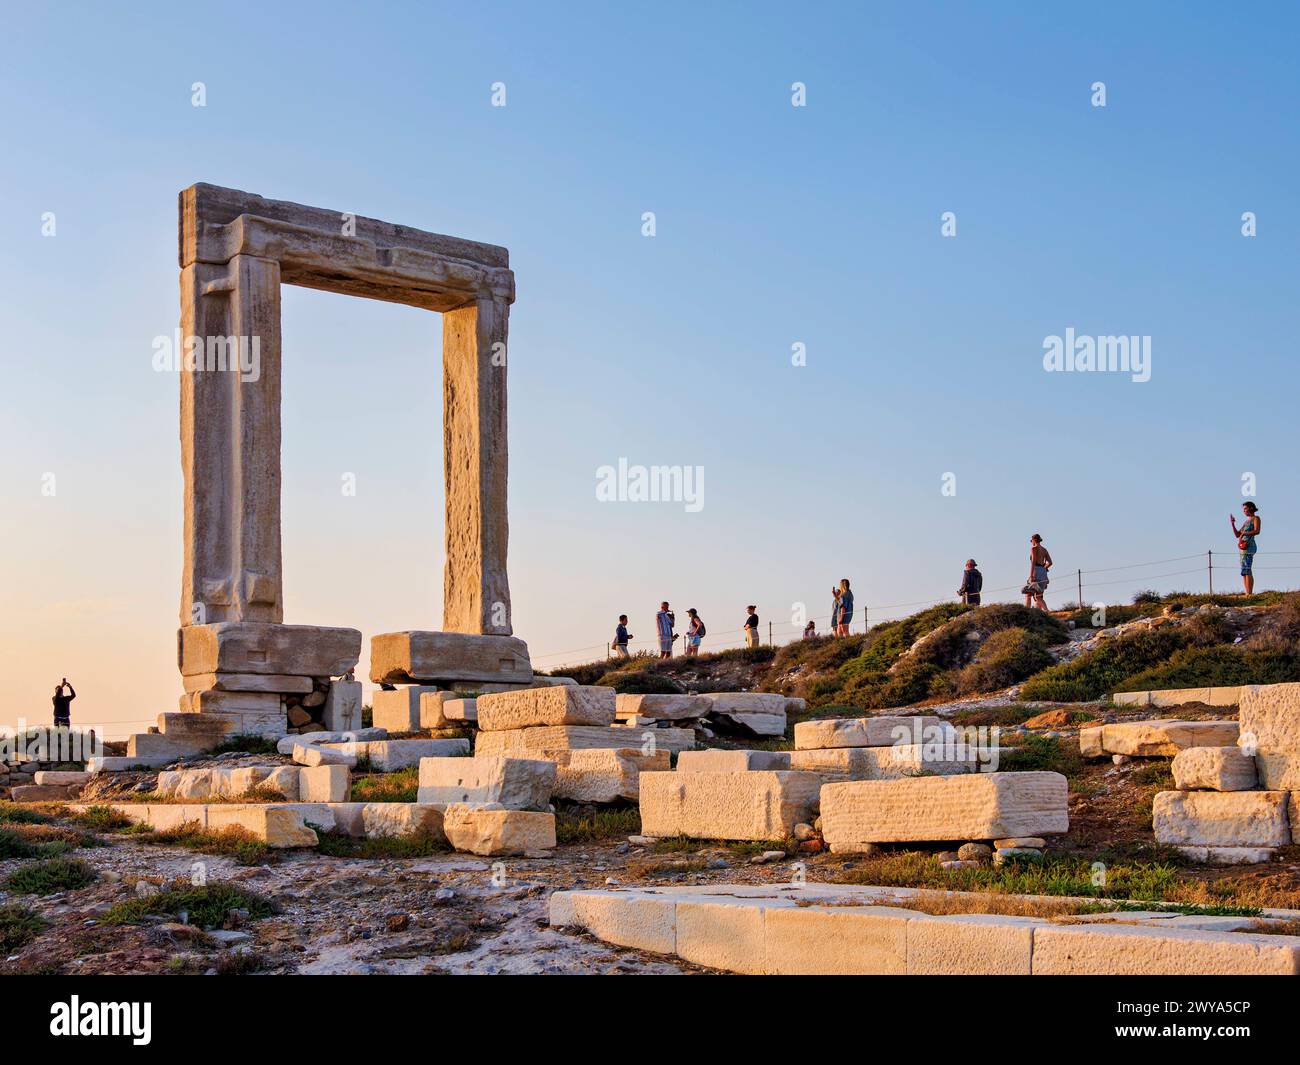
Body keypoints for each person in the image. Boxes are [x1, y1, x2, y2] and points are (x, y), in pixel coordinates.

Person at [1231, 502, 1262, 595]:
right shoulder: (1246, 522)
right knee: (1244, 570)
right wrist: (1233, 524)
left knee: (1248, 568)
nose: (1244, 511)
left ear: (1251, 508)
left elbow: (1257, 531)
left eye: (1245, 508)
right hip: (1242, 548)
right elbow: (1237, 534)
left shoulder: (1256, 518)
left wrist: (1245, 534)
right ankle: (1247, 593)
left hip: (1249, 546)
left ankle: (1250, 593)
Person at [1024, 534, 1053, 610]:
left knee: (1028, 594)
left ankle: (1026, 612)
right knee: (1039, 596)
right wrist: (1043, 569)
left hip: (1035, 571)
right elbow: (1050, 562)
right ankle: (1046, 611)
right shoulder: (1044, 550)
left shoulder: (1034, 549)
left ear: (1033, 540)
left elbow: (1033, 562)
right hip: (1043, 573)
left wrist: (1031, 575)